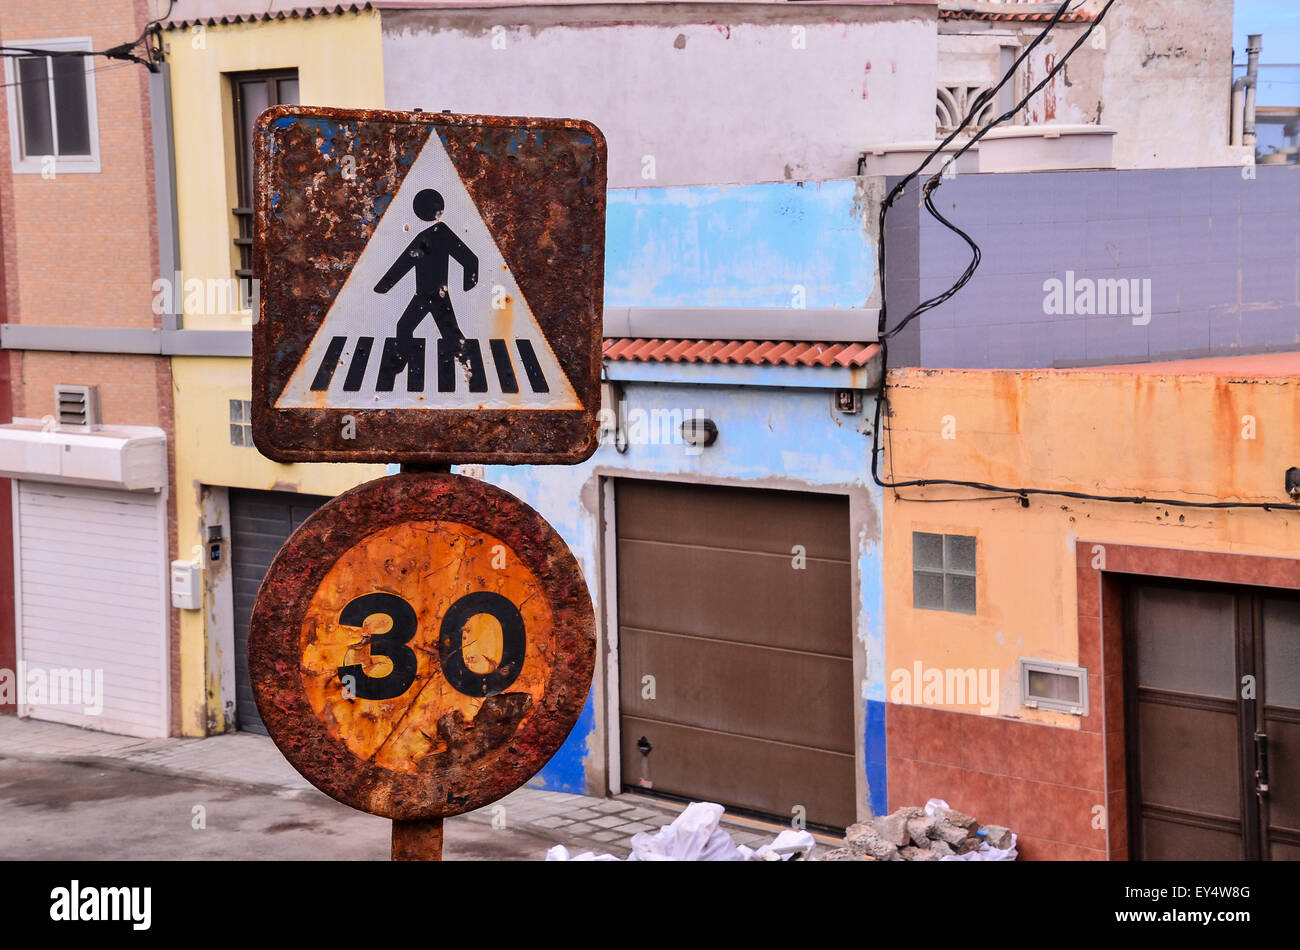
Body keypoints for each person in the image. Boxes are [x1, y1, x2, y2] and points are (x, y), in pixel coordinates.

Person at [373, 188, 479, 353]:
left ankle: (469, 362)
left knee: (443, 334)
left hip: (435, 295)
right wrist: (384, 286)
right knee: (405, 328)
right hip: (425, 294)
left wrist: (469, 283)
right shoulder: (430, 235)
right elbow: (405, 262)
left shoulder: (439, 234)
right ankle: (400, 361)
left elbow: (469, 259)